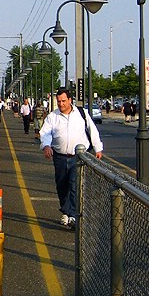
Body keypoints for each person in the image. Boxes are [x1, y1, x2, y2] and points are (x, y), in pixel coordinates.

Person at [39, 86, 103, 228]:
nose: (61, 104)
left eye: (63, 101)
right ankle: (66, 212)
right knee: (62, 185)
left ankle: (73, 215)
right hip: (60, 157)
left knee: (74, 186)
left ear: (70, 100)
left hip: (78, 158)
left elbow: (92, 131)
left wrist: (98, 148)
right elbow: (45, 133)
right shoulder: (53, 117)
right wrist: (46, 146)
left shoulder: (82, 114)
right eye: (59, 101)